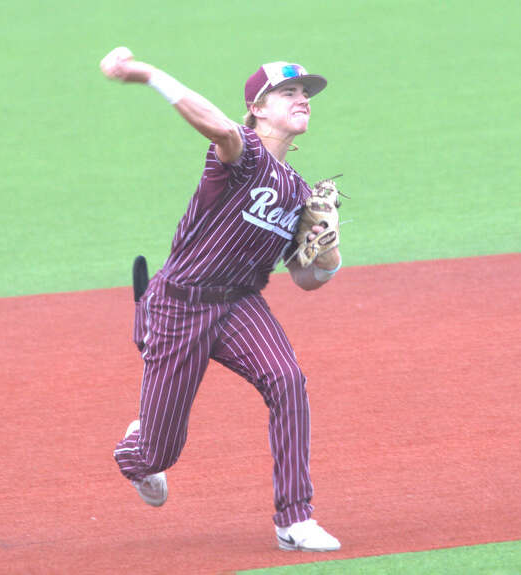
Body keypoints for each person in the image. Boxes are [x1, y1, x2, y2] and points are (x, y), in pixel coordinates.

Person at [100, 47, 342, 552]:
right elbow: (222, 130)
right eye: (289, 93)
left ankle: (294, 520)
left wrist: (330, 253)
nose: (303, 100)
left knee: (288, 380)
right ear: (257, 106)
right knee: (161, 452)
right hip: (180, 305)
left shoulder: (300, 191)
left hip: (240, 304)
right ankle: (137, 448)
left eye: (307, 94)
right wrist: (146, 74)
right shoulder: (244, 152)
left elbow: (305, 279)